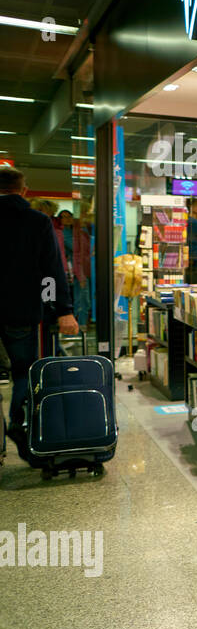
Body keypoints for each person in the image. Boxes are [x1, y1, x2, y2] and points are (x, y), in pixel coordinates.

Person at [0, 167, 78, 456]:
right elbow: (50, 271)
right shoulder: (37, 221)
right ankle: (18, 424)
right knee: (24, 371)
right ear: (24, 190)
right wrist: (59, 308)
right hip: (22, 311)